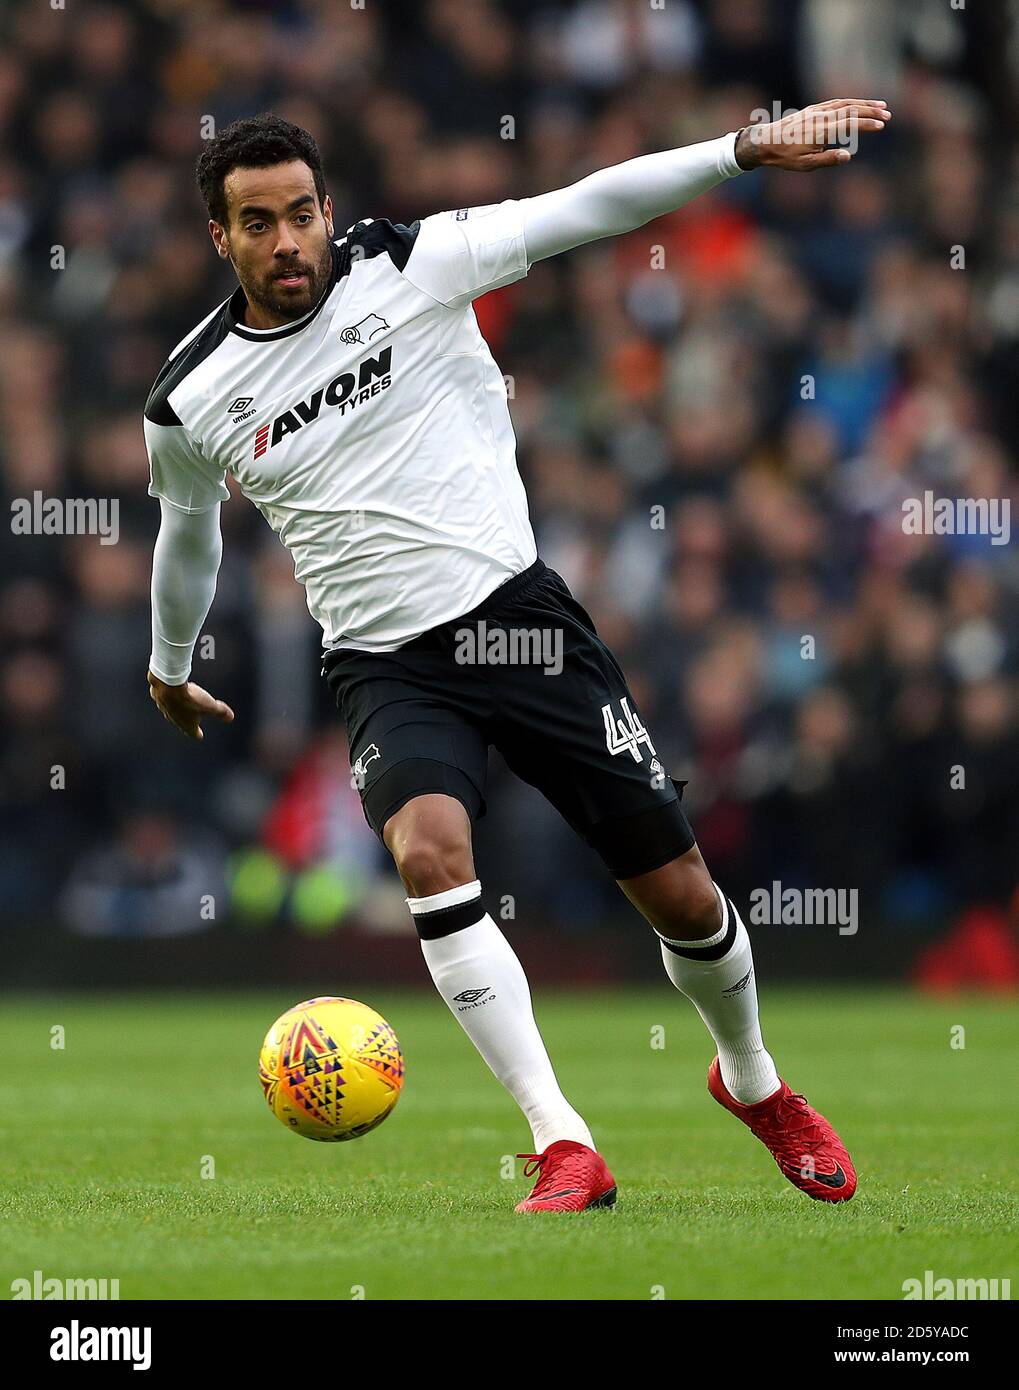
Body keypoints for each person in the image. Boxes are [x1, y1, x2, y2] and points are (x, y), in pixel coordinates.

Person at [145, 100, 890, 1210]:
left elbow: (586, 207)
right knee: (429, 856)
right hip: (384, 664)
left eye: (301, 213)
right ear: (222, 237)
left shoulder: (410, 262)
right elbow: (187, 532)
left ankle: (751, 1080)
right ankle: (562, 1141)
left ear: (325, 209)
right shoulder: (188, 396)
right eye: (259, 223)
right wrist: (166, 660)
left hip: (522, 624)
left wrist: (737, 149)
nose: (287, 240)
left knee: (680, 897)